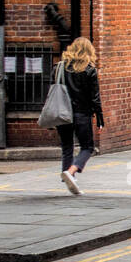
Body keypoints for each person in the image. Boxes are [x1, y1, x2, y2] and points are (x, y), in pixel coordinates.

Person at [56, 37, 104, 195]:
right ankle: (71, 171)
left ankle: (69, 176)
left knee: (67, 146)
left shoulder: (60, 67)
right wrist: (100, 118)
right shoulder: (90, 70)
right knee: (87, 147)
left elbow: (53, 90)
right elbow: (95, 97)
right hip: (81, 114)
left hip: (62, 113)